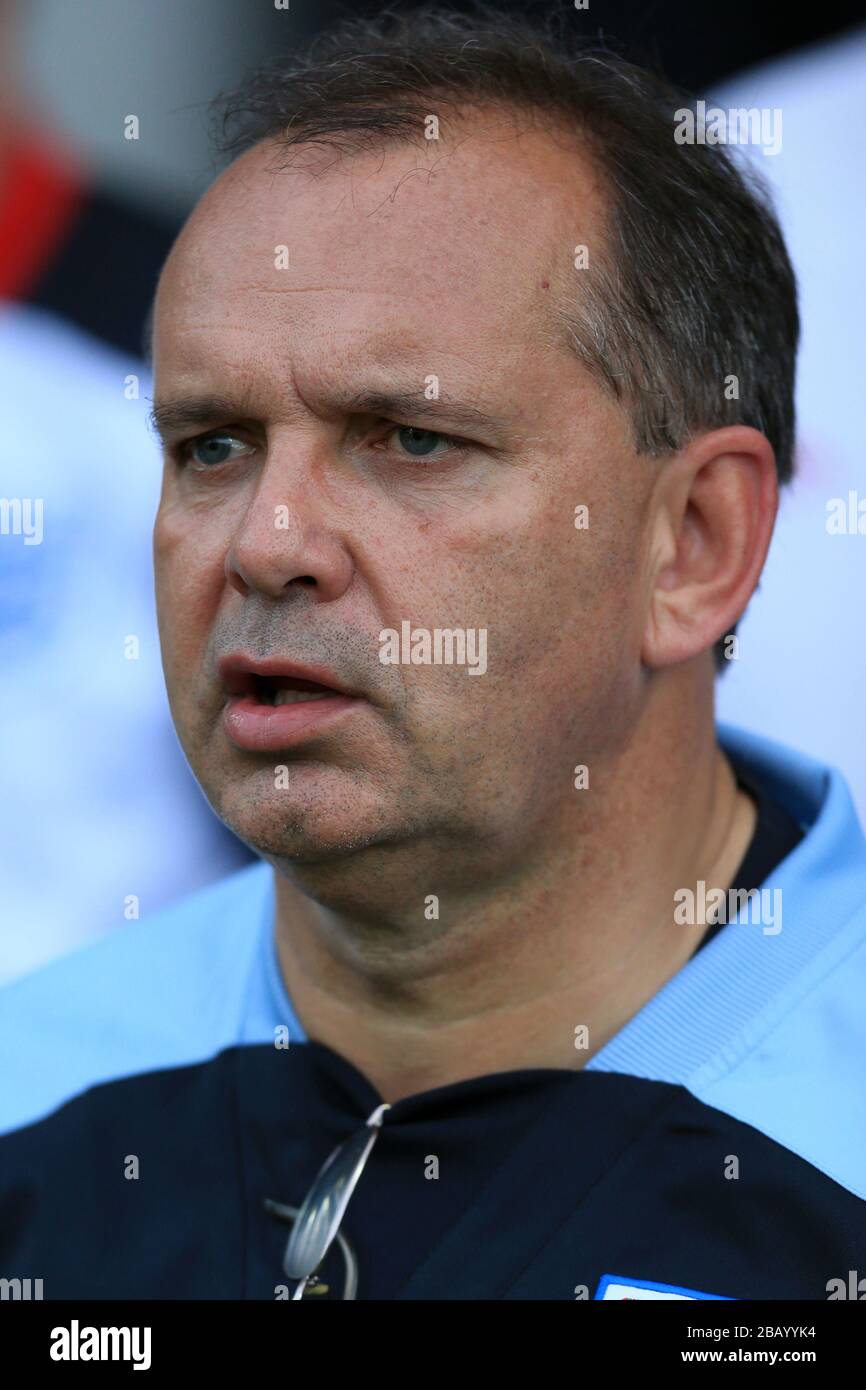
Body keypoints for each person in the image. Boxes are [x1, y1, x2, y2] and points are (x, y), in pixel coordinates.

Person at [1, 6, 864, 1302]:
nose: (267, 543)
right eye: (213, 445)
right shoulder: (34, 1095)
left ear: (692, 540)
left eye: (407, 439)